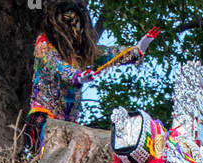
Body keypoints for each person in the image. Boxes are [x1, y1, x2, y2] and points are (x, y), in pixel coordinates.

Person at [27, 2, 158, 154]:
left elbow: (108, 54)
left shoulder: (80, 54)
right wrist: (78, 77)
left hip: (68, 124)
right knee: (49, 156)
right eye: (70, 25)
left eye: (78, 26)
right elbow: (57, 65)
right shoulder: (44, 44)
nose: (75, 31)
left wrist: (135, 51)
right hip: (45, 117)